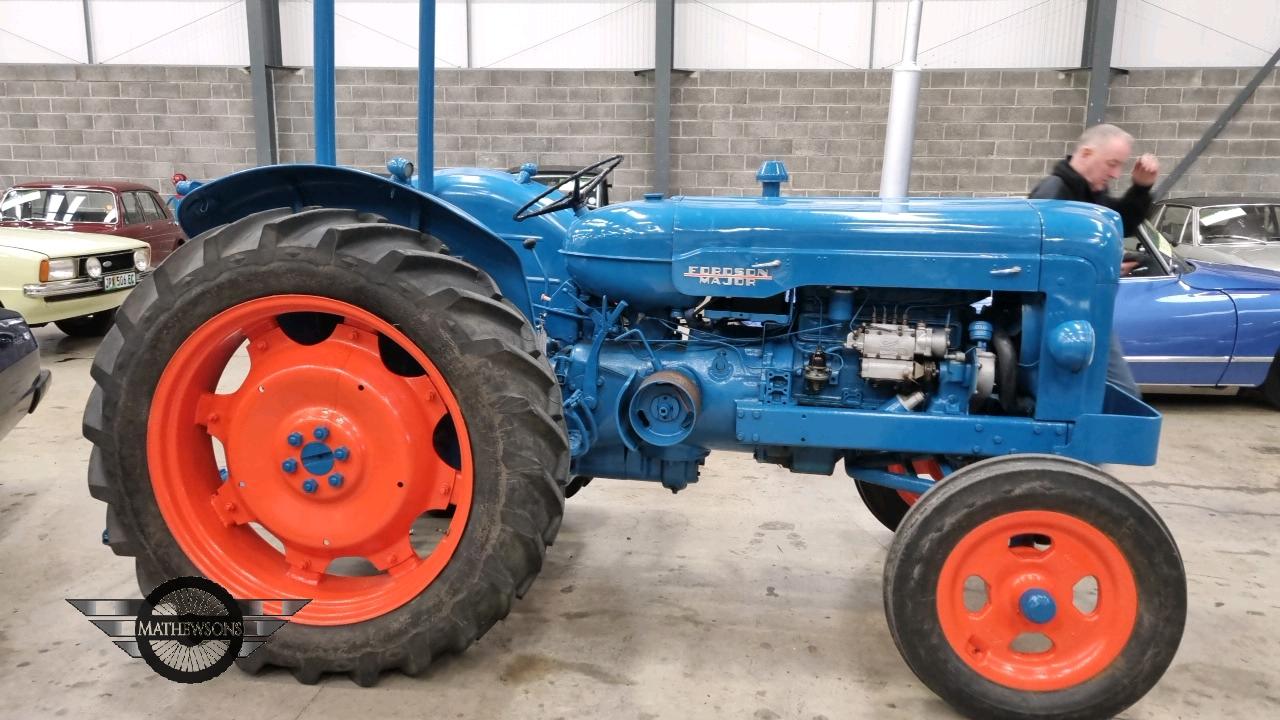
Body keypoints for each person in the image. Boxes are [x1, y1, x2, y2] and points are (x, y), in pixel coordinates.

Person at [1029, 123, 1159, 398]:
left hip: (1078, 312)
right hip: (1065, 314)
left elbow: (1119, 224)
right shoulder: (1055, 194)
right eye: (1111, 164)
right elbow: (1045, 260)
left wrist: (1141, 188)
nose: (1115, 174)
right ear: (1086, 153)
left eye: (1120, 166)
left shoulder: (1089, 195)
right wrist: (1099, 269)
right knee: (1123, 391)